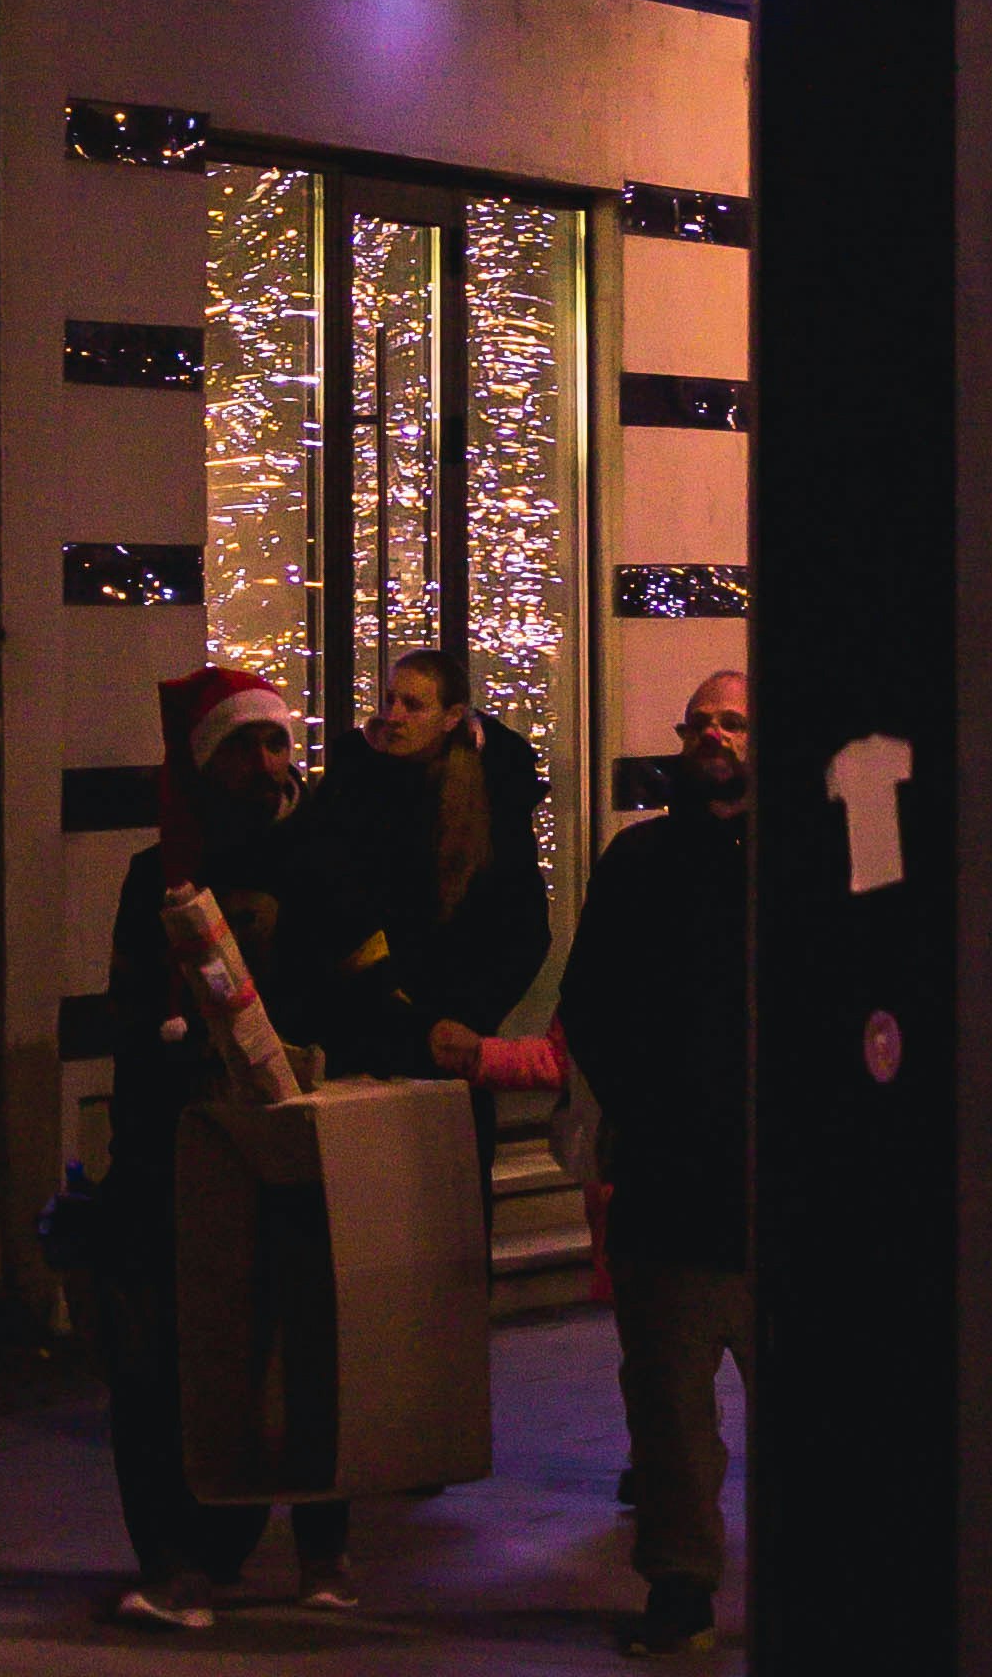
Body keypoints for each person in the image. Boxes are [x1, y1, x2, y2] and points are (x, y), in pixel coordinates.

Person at [95, 666, 363, 1633]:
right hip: (185, 1150)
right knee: (164, 1361)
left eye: (276, 744)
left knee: (305, 1344)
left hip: (299, 1144)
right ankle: (179, 1559)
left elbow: (365, 988)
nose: (264, 765)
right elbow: (130, 1019)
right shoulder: (154, 877)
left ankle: (318, 1540)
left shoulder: (324, 860)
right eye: (242, 748)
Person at [554, 664, 750, 1659]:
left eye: (735, 722)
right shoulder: (641, 863)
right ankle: (680, 1582)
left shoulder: (810, 856)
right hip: (675, 1183)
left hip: (773, 1190)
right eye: (702, 721)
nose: (714, 735)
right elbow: (589, 1000)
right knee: (670, 1408)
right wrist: (648, 1106)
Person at [315, 645, 552, 1101]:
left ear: (452, 717)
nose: (394, 716)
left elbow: (523, 927)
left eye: (414, 704)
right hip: (366, 1031)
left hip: (453, 1042)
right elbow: (330, 900)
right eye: (389, 701)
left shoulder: (491, 797)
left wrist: (469, 1019)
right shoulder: (354, 785)